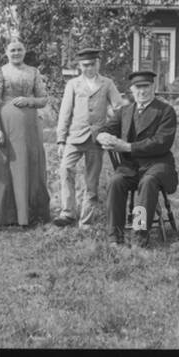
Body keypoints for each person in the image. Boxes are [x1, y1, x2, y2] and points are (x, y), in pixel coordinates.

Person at [0, 40, 52, 227]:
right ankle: (4, 215)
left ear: (25, 51)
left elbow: (43, 100)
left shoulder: (33, 72)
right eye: (12, 50)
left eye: (19, 50)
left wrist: (28, 100)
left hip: (29, 128)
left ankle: (29, 215)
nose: (16, 53)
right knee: (5, 167)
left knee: (29, 164)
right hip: (6, 126)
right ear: (6, 52)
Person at [99, 70, 178, 248]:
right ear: (131, 90)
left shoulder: (165, 111)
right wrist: (102, 136)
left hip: (158, 164)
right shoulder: (125, 111)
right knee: (115, 181)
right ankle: (114, 236)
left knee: (148, 183)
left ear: (154, 87)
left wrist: (128, 147)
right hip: (131, 166)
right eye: (138, 88)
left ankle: (139, 236)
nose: (142, 92)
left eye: (146, 87)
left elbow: (161, 143)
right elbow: (107, 128)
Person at [53, 48, 124, 229]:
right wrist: (61, 139)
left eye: (92, 64)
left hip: (96, 139)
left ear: (98, 64)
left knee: (91, 179)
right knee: (65, 169)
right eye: (85, 65)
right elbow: (65, 112)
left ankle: (86, 220)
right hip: (75, 136)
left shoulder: (107, 83)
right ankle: (68, 212)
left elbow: (118, 107)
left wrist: (111, 129)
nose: (89, 68)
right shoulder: (73, 84)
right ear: (79, 66)